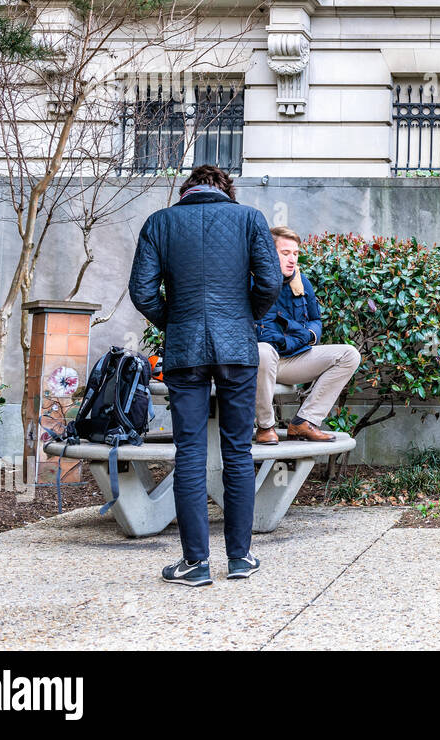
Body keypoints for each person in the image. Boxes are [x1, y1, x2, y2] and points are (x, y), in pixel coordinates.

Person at [128, 165, 282, 587]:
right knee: (237, 451)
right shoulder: (250, 218)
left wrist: (174, 322)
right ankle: (240, 558)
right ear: (226, 190)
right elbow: (270, 281)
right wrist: (243, 318)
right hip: (237, 350)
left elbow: (142, 291)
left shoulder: (160, 222)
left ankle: (195, 564)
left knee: (190, 452)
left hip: (185, 350)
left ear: (186, 191)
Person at [254, 226, 362, 444]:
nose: (292, 259)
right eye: (285, 253)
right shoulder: (251, 282)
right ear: (268, 253)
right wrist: (297, 334)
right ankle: (266, 426)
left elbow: (315, 321)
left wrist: (307, 336)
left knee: (349, 354)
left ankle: (305, 421)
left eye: (295, 253)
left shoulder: (301, 283)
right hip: (260, 363)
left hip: (293, 359)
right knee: (262, 350)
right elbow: (262, 333)